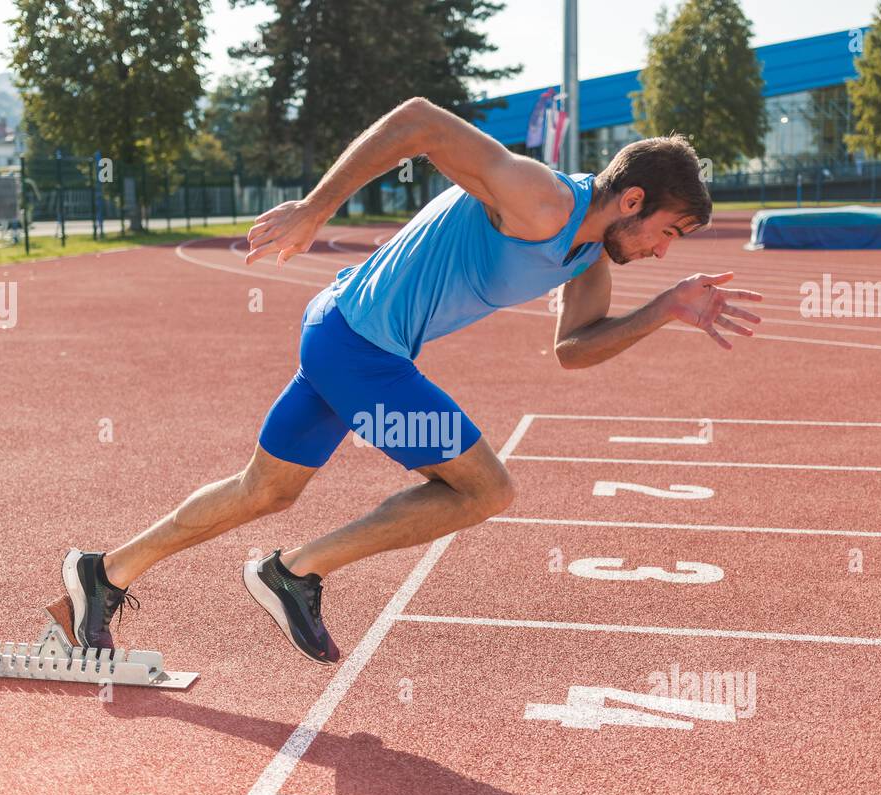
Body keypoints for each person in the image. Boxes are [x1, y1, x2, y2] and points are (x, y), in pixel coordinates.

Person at [58, 97, 763, 665]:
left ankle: (105, 572)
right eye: (668, 232)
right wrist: (315, 209)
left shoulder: (586, 259)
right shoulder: (540, 200)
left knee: (265, 489)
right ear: (634, 200)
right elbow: (419, 121)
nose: (664, 250)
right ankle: (294, 572)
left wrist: (666, 309)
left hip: (343, 334)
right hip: (362, 349)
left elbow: (574, 351)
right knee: (486, 488)